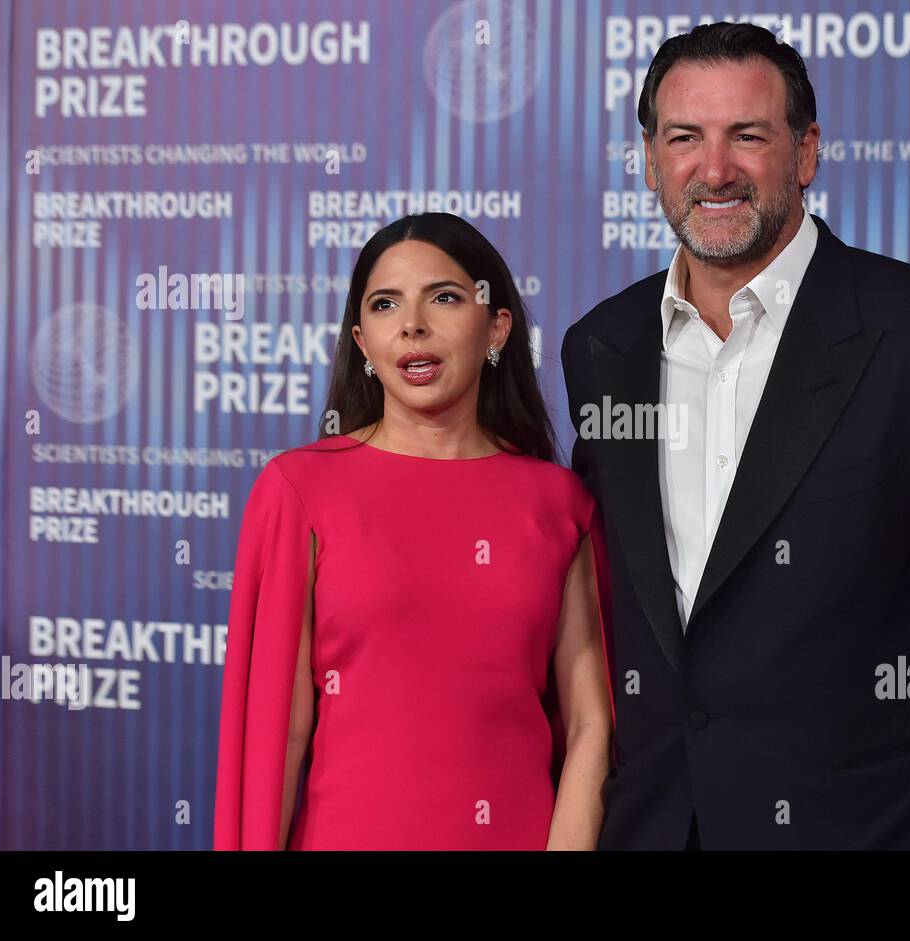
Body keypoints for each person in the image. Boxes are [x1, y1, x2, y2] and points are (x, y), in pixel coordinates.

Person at [561, 22, 910, 850]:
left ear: (806, 152)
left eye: (748, 136)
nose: (714, 169)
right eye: (684, 138)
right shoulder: (600, 348)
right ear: (649, 160)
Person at [214, 213, 613, 850]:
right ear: (362, 342)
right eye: (385, 304)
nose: (412, 325)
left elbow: (591, 725)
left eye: (444, 298)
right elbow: (278, 736)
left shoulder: (558, 504)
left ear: (497, 327)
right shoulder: (300, 491)